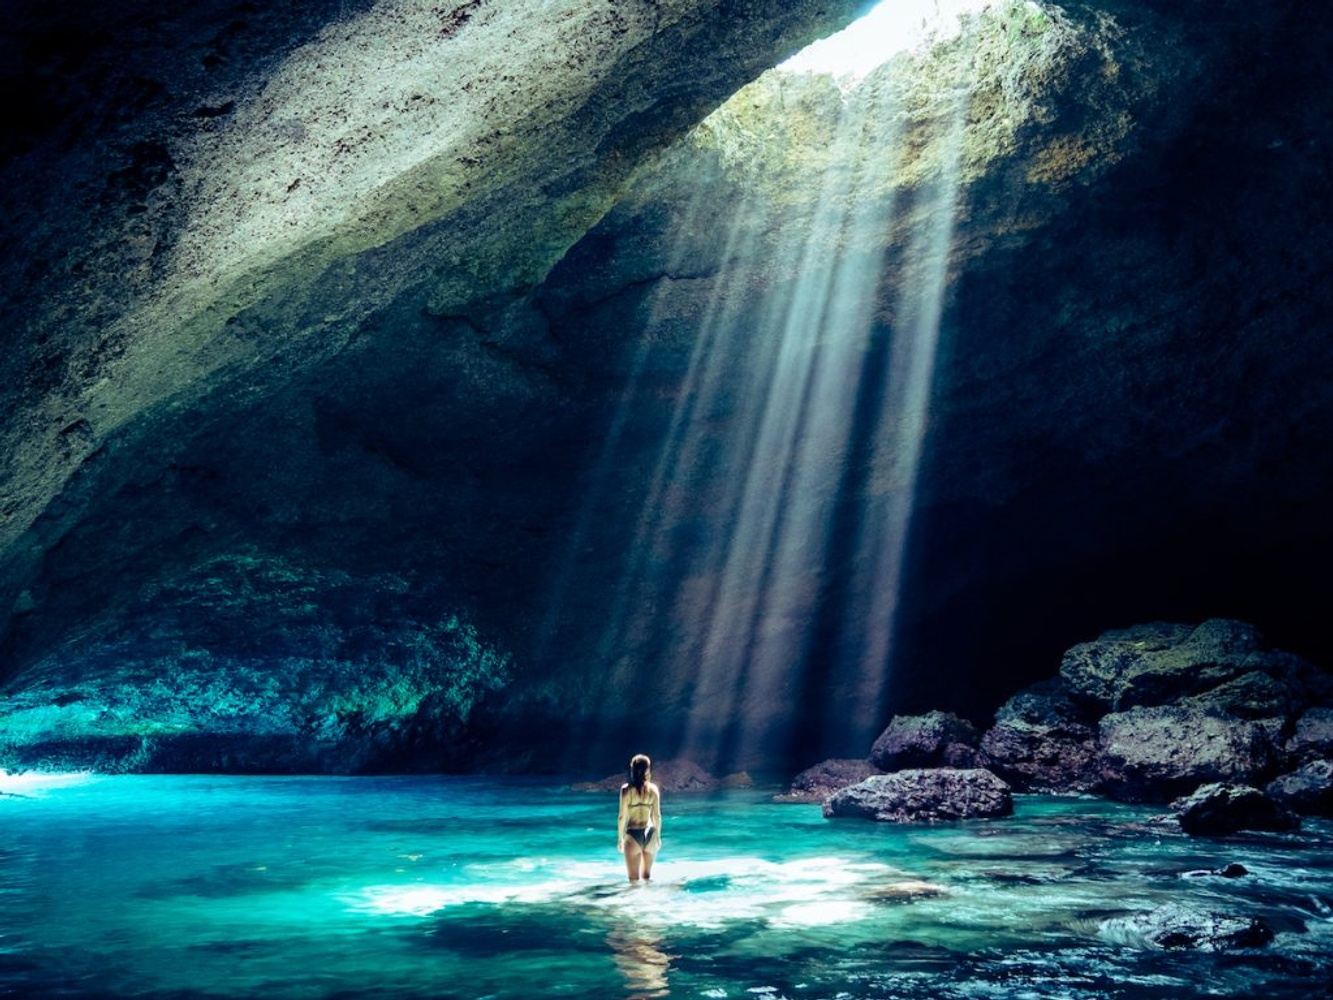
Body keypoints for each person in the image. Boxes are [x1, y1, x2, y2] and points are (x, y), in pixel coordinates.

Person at [616, 753, 661, 882]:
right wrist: (658, 836)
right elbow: (657, 816)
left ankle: (634, 902)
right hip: (650, 833)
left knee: (633, 880)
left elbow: (621, 816)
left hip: (633, 834)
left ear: (633, 770)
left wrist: (620, 838)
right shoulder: (654, 790)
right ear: (648, 769)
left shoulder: (626, 790)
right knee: (646, 878)